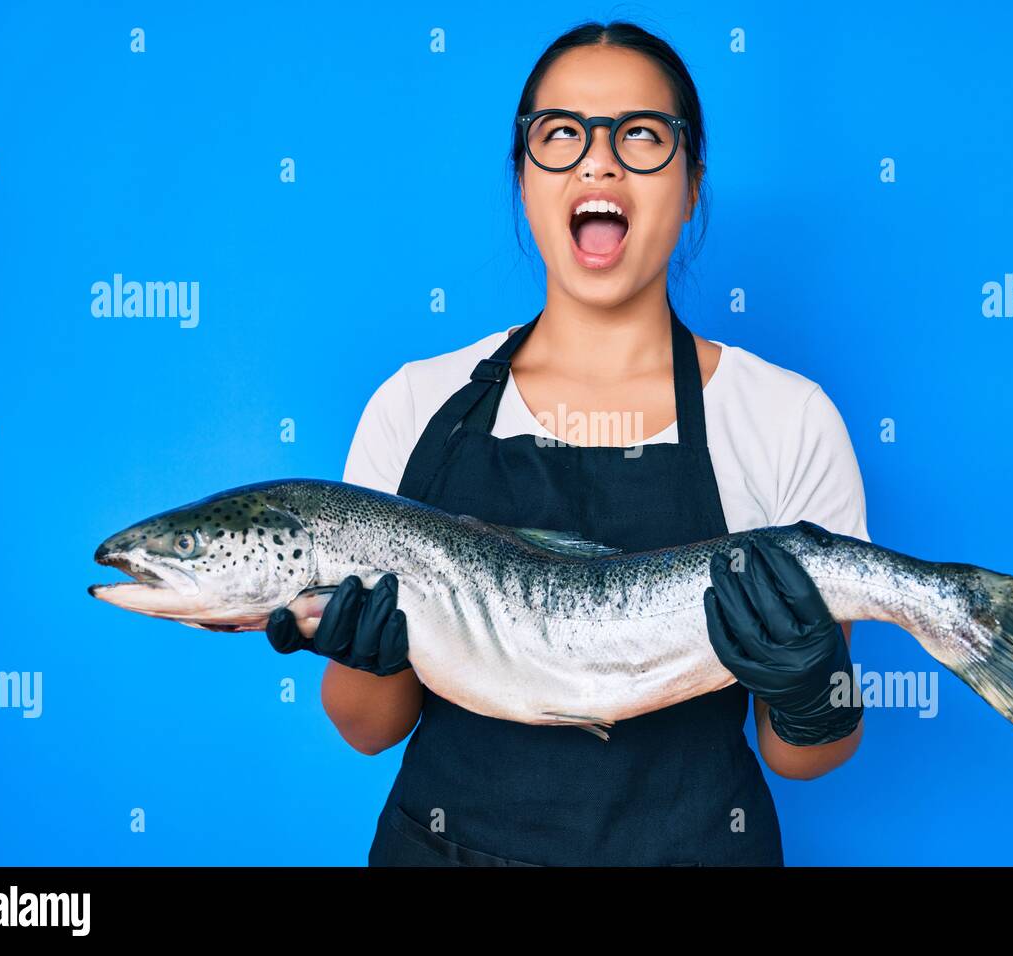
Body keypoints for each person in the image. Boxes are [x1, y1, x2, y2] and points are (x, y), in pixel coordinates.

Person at [265, 20, 869, 867]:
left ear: (693, 182)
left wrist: (815, 690)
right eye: (561, 135)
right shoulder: (413, 404)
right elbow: (368, 731)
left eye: (642, 135)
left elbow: (805, 755)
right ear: (523, 179)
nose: (600, 162)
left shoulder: (788, 418)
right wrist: (364, 651)